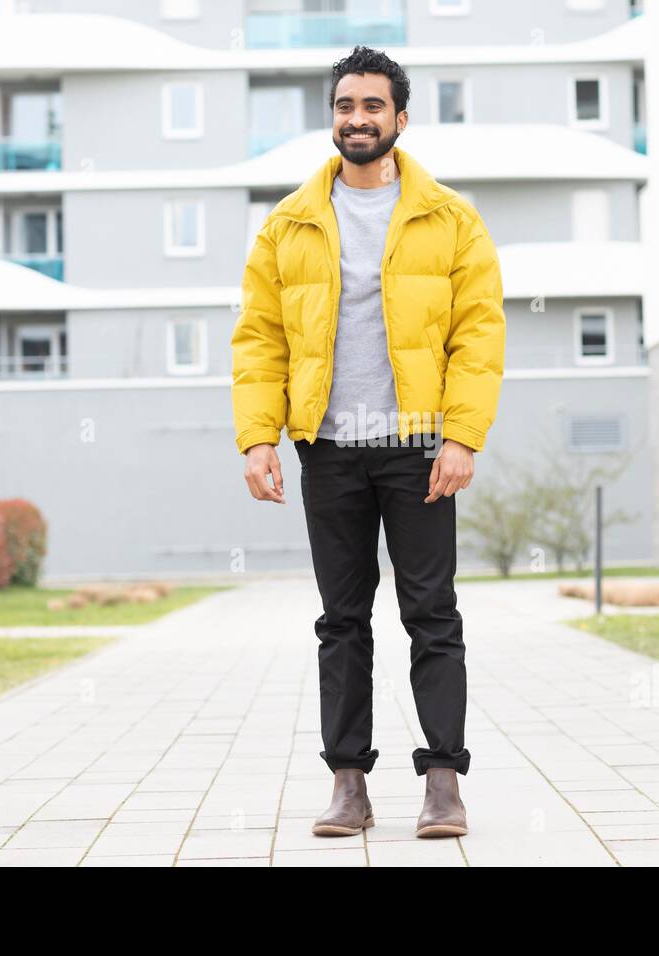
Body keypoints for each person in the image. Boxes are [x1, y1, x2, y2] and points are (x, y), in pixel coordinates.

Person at [231, 45, 505, 839]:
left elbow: (478, 335)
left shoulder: (451, 219)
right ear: (334, 117)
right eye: (345, 105)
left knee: (431, 613)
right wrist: (259, 439)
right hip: (329, 449)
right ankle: (348, 784)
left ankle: (443, 783)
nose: (358, 118)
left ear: (401, 119)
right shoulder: (288, 224)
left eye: (373, 106)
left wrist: (462, 435)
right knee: (342, 618)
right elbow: (258, 339)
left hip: (419, 447)